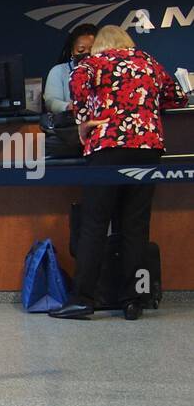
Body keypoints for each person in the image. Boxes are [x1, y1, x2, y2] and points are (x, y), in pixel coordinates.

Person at [50, 25, 186, 322]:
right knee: (136, 226)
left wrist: (87, 123)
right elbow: (178, 98)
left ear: (99, 44)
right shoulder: (148, 62)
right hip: (148, 148)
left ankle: (83, 300)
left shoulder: (91, 65)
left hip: (108, 147)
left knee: (94, 224)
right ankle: (132, 301)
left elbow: (79, 102)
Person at [43, 24, 97, 113]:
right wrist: (68, 107)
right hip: (71, 123)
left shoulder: (107, 71)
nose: (87, 54)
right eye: (81, 50)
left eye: (92, 50)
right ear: (72, 51)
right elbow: (50, 102)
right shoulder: (58, 71)